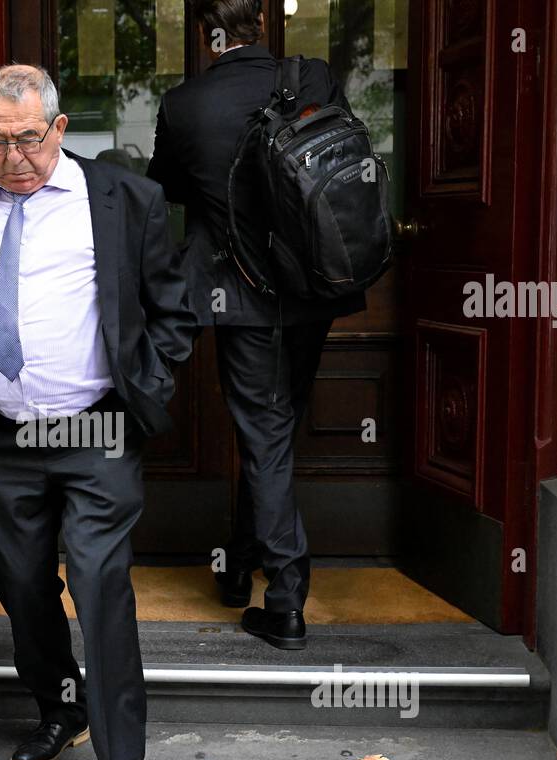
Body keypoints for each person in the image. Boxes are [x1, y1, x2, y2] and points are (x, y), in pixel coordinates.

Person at [0, 64, 198, 760]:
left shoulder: (125, 200)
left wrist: (144, 388)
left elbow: (171, 311)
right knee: (19, 583)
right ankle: (59, 705)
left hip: (92, 430)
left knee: (99, 580)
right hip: (3, 437)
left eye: (25, 139)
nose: (12, 157)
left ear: (58, 127)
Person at [147, 0, 367, 650]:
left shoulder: (185, 105)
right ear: (264, 23)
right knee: (272, 427)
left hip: (236, 295)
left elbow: (168, 188)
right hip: (313, 289)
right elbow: (345, 166)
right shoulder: (313, 78)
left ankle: (285, 600)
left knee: (264, 434)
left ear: (205, 32)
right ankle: (240, 562)